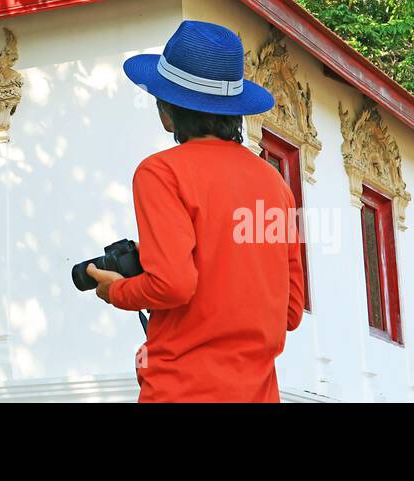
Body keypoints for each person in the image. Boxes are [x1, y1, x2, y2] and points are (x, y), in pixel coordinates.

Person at [87, 20, 306, 402]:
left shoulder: (161, 172)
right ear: (234, 110)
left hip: (181, 390)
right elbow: (291, 310)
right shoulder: (275, 185)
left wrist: (117, 290)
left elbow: (173, 283)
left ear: (167, 110)